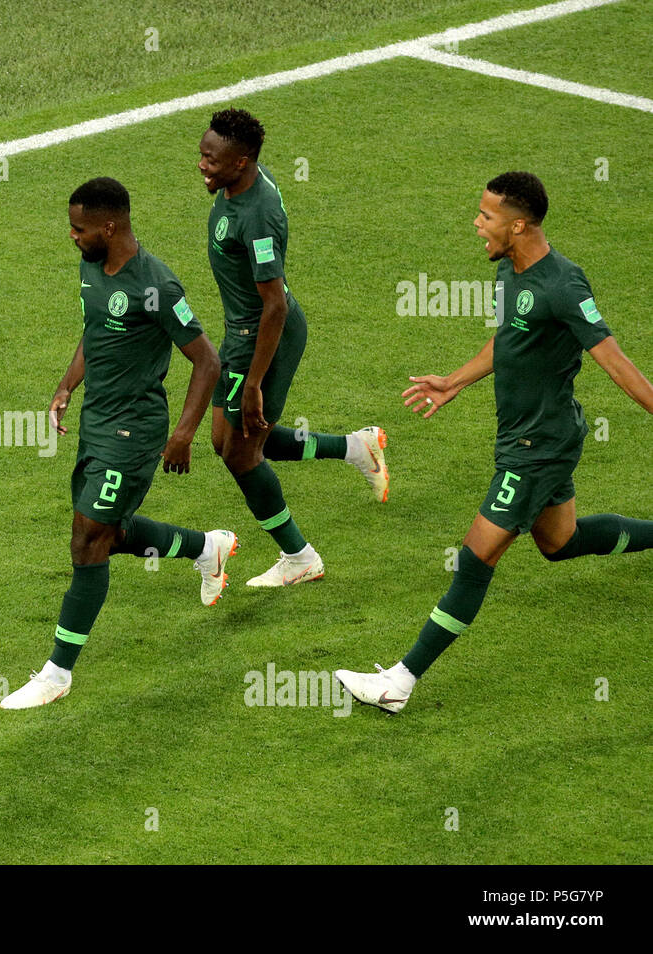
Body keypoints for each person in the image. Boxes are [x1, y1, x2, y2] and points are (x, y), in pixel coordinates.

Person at [335, 171, 653, 713]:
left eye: (486, 217)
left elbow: (615, 363)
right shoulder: (511, 270)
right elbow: (509, 340)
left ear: (519, 224)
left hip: (538, 446)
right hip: (528, 439)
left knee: (475, 556)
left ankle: (400, 682)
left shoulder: (563, 285)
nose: (477, 225)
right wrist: (454, 381)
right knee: (560, 542)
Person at [0, 177, 235, 710]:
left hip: (134, 432)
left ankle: (58, 673)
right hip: (96, 422)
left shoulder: (157, 286)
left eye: (79, 229)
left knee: (87, 541)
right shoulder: (90, 267)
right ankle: (207, 548)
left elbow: (207, 360)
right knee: (106, 533)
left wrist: (183, 434)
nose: (72, 237)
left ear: (110, 227)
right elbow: (95, 331)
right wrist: (65, 386)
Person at [198, 108, 389, 589]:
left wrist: (255, 381)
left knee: (242, 454)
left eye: (212, 159)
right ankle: (355, 448)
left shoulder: (257, 217)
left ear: (241, 163)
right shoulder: (242, 182)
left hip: (265, 336)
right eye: (202, 154)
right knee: (226, 441)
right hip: (241, 332)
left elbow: (275, 306)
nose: (203, 165)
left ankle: (300, 557)